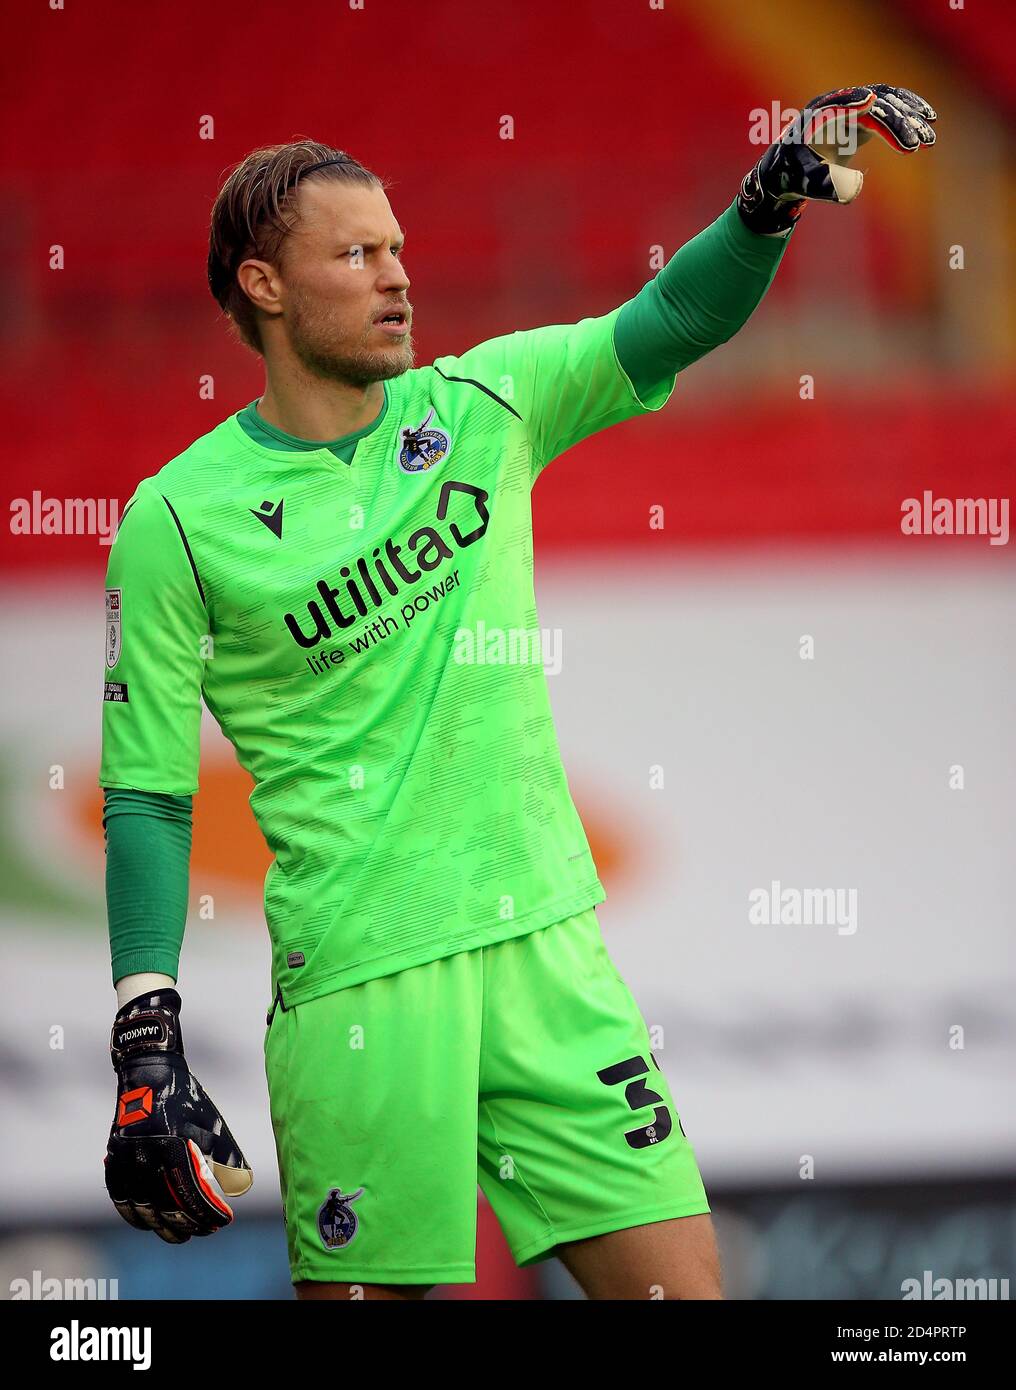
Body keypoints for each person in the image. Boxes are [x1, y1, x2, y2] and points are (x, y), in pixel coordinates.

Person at [100, 84, 936, 1300]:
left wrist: (762, 208)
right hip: (361, 985)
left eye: (397, 249)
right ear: (262, 288)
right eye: (354, 253)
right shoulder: (175, 519)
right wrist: (145, 1032)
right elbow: (146, 793)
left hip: (549, 951)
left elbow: (667, 320)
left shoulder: (485, 403)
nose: (395, 277)